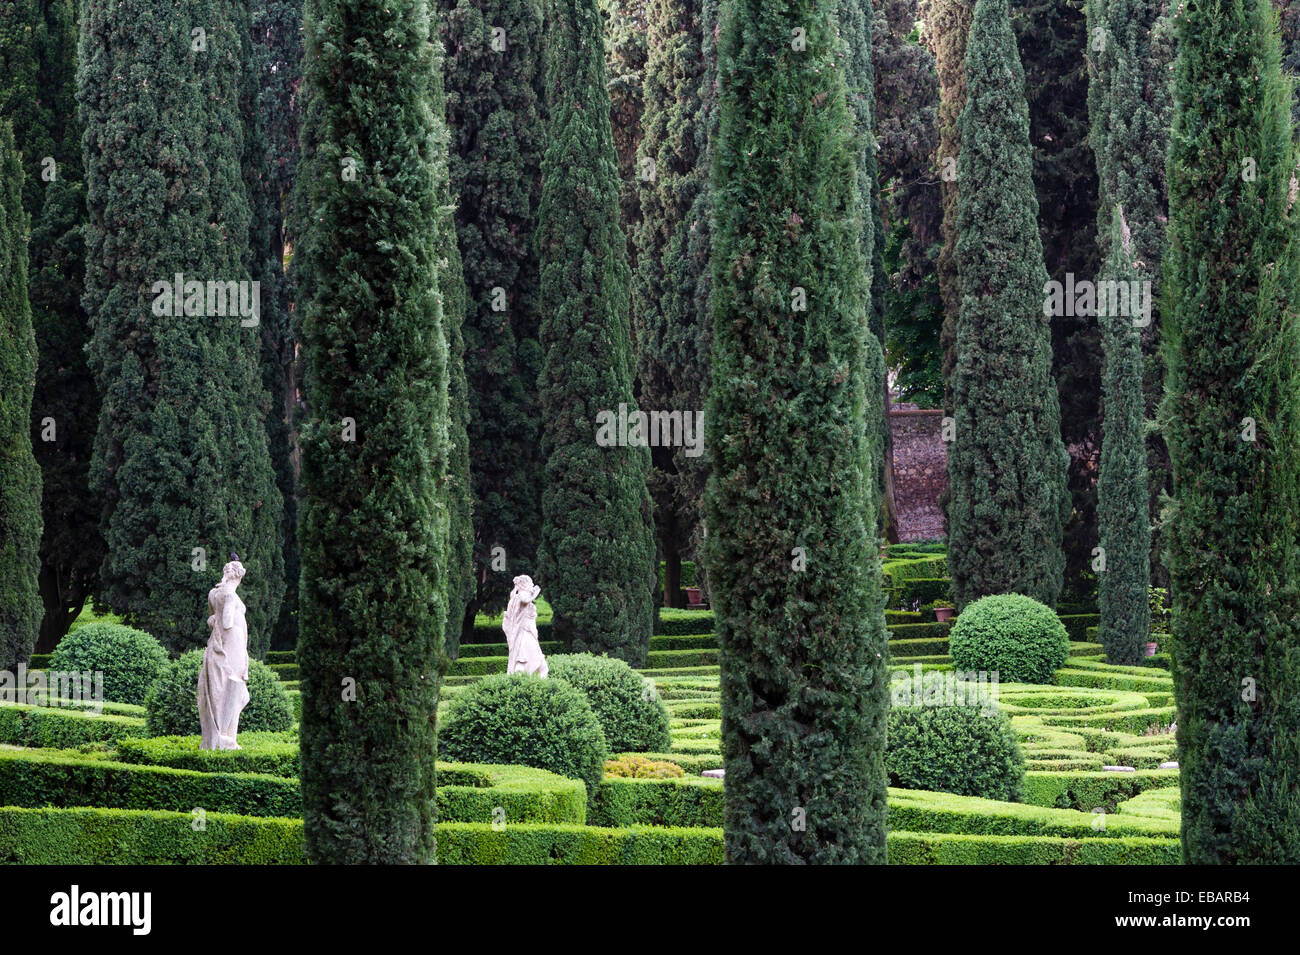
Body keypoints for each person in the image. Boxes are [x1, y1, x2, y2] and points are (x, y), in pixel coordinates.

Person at [198, 555, 252, 749]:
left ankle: (225, 736)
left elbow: (212, 619)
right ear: (238, 576)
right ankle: (225, 736)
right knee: (234, 687)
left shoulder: (214, 593)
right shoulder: (230, 595)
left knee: (225, 687)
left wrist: (215, 620)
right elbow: (226, 622)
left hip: (220, 644)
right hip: (233, 643)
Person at [502, 574, 548, 677]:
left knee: (537, 666)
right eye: (530, 584)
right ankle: (523, 687)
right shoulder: (522, 595)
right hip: (525, 635)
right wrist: (534, 593)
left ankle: (525, 686)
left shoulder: (516, 596)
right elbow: (525, 599)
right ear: (525, 585)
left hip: (526, 634)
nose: (532, 586)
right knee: (532, 665)